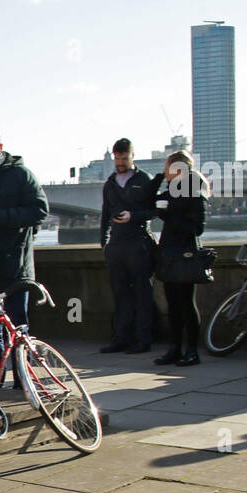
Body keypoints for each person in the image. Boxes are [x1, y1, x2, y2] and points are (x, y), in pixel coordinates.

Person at [0, 125, 49, 391]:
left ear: (1, 147)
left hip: (16, 266)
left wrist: (1, 217)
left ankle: (23, 382)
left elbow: (40, 209)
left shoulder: (20, 173)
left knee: (18, 328)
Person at [150, 150, 209, 367]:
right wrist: (157, 180)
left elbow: (197, 228)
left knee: (186, 303)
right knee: (172, 303)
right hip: (168, 252)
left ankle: (192, 351)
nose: (165, 171)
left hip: (185, 254)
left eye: (168, 167)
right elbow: (148, 199)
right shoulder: (172, 190)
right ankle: (174, 348)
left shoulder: (194, 190)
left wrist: (170, 217)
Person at [98, 137, 156, 353]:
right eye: (117, 159)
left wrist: (134, 216)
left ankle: (143, 339)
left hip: (139, 241)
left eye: (124, 158)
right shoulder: (110, 183)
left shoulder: (145, 179)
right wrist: (103, 241)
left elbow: (154, 211)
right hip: (116, 244)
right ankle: (122, 338)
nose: (120, 162)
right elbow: (105, 214)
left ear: (132, 156)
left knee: (142, 292)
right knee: (120, 293)